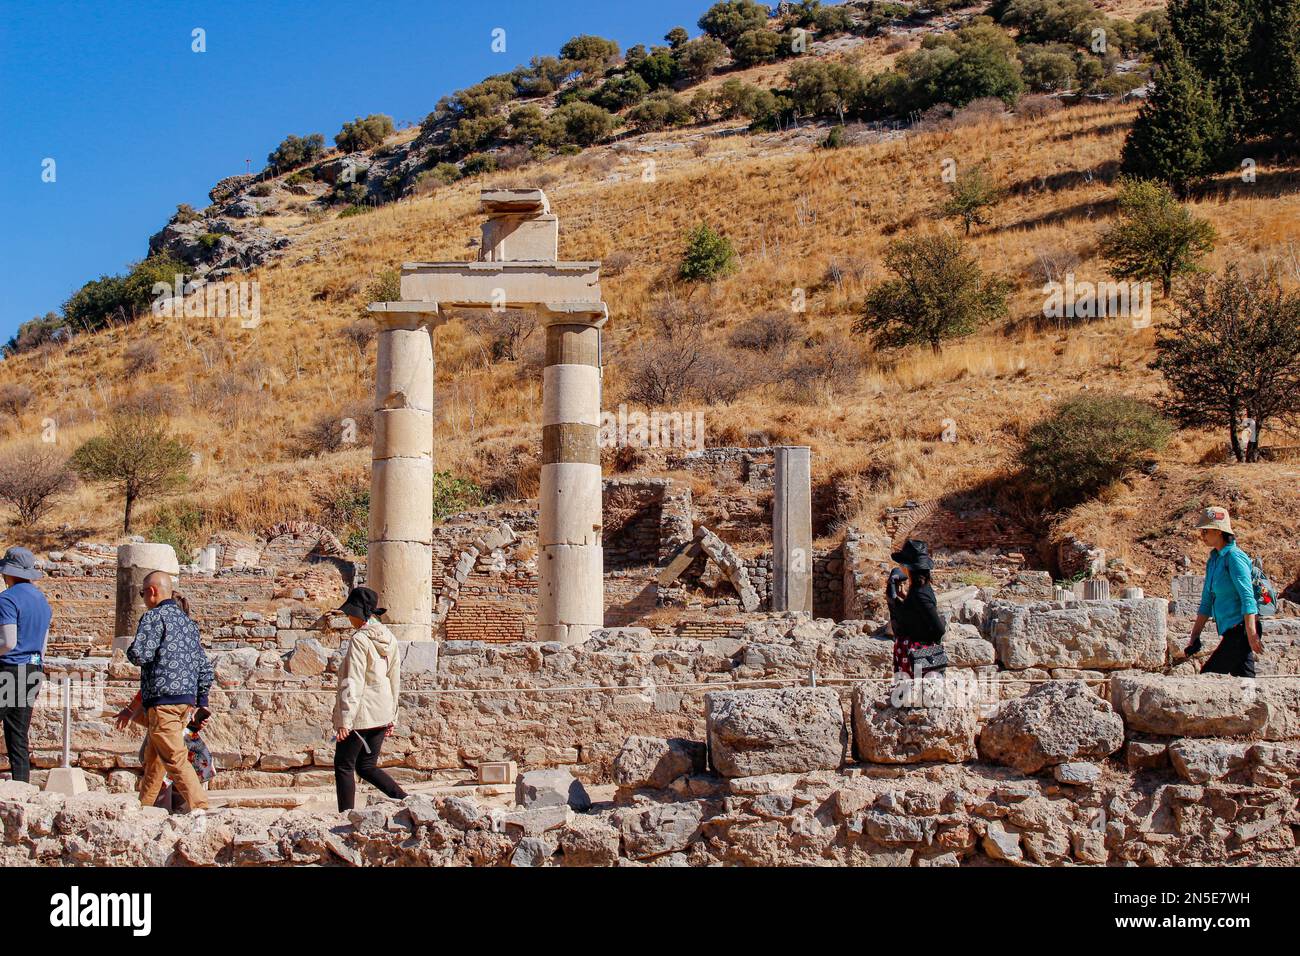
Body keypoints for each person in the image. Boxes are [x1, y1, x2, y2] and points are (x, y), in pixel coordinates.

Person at [125, 571, 213, 812]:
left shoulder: (153, 617)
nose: (143, 597)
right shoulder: (189, 624)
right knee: (154, 762)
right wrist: (201, 700)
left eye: (143, 593)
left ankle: (200, 807)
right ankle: (144, 809)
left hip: (162, 700)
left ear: (152, 592)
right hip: (184, 702)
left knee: (175, 758)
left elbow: (140, 654)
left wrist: (130, 650)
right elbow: (205, 667)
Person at [332, 586, 407, 812]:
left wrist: (345, 720)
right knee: (366, 766)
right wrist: (393, 715)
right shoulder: (390, 638)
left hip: (361, 714)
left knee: (343, 765)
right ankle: (406, 800)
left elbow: (353, 681)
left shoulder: (359, 640)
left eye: (350, 612)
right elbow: (394, 677)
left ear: (360, 613)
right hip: (382, 711)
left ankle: (345, 815)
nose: (348, 617)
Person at [1184, 506, 1261, 678]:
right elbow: (1206, 602)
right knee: (1244, 679)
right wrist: (1195, 636)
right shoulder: (1213, 560)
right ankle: (1253, 703)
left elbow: (1247, 597)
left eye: (1205, 531)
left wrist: (1251, 633)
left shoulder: (1234, 557)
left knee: (1208, 676)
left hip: (1241, 629)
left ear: (1219, 531)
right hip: (1231, 631)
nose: (1201, 535)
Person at [0, 547, 52, 782]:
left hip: (10, 669)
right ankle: (22, 788)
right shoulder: (42, 600)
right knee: (18, 734)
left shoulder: (7, 599)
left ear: (7, 573)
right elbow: (43, 647)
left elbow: (8, 642)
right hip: (34, 670)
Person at [886, 539, 947, 678]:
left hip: (917, 658)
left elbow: (939, 629)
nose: (900, 567)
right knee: (909, 696)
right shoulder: (918, 590)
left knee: (917, 696)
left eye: (902, 564)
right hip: (911, 656)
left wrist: (920, 646)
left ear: (908, 567)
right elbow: (916, 616)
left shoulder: (920, 593)